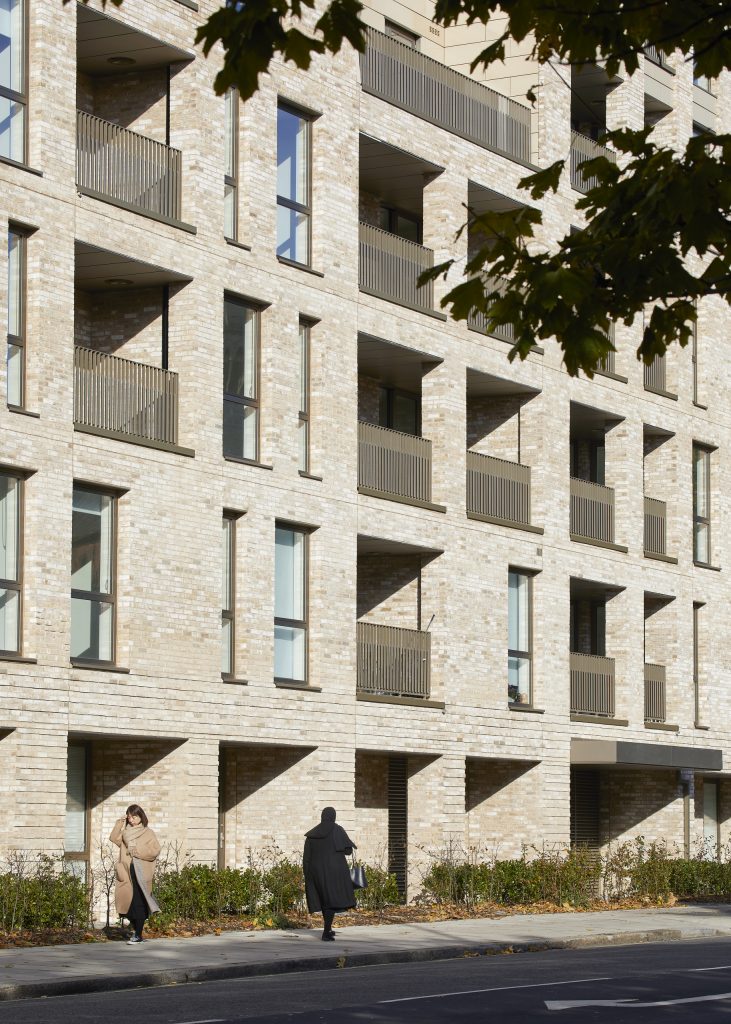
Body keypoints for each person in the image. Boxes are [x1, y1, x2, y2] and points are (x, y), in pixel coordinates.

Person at [109, 804, 161, 945]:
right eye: (129, 816)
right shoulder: (125, 833)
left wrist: (137, 850)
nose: (132, 819)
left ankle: (138, 935)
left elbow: (155, 850)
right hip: (127, 873)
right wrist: (118, 824)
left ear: (141, 817)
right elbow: (114, 838)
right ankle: (137, 931)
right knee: (127, 904)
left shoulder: (147, 832)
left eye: (135, 816)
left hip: (141, 873)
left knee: (139, 904)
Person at [303, 806, 357, 941]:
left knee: (324, 899)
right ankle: (326, 932)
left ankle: (328, 928)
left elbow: (306, 858)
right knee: (331, 901)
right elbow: (348, 851)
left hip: (316, 872)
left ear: (322, 816)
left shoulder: (312, 834)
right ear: (333, 816)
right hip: (335, 871)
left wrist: (307, 875)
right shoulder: (337, 830)